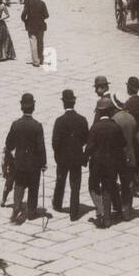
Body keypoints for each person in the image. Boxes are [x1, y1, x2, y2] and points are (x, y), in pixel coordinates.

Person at [3, 93, 46, 224]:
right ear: (33, 107)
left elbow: (9, 144)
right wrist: (43, 163)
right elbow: (41, 147)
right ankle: (32, 211)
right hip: (34, 163)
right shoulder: (37, 125)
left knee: (19, 185)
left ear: (21, 107)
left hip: (20, 161)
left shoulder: (16, 124)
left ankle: (16, 207)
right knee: (33, 186)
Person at [85, 97, 125, 228]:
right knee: (108, 189)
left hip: (97, 164)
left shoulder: (95, 128)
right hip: (112, 164)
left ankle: (101, 211)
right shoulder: (116, 127)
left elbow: (89, 147)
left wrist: (85, 159)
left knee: (92, 186)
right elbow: (122, 145)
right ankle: (109, 217)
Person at [51, 89, 88, 219]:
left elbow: (55, 142)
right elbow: (85, 139)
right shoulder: (82, 120)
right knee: (75, 184)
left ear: (64, 103)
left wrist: (58, 154)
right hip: (76, 156)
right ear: (74, 102)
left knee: (60, 181)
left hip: (62, 157)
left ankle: (57, 203)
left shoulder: (59, 121)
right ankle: (74, 211)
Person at [113, 99, 138, 220]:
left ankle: (118, 208)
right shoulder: (132, 118)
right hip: (130, 155)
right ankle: (127, 210)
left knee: (114, 182)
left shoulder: (115, 118)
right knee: (127, 184)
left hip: (117, 156)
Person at [21, 0, 49, 67]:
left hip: (31, 25)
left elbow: (23, 15)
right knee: (40, 42)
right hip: (40, 25)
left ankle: (35, 61)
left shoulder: (27, 3)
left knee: (33, 42)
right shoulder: (42, 3)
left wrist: (26, 21)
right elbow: (46, 15)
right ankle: (41, 59)